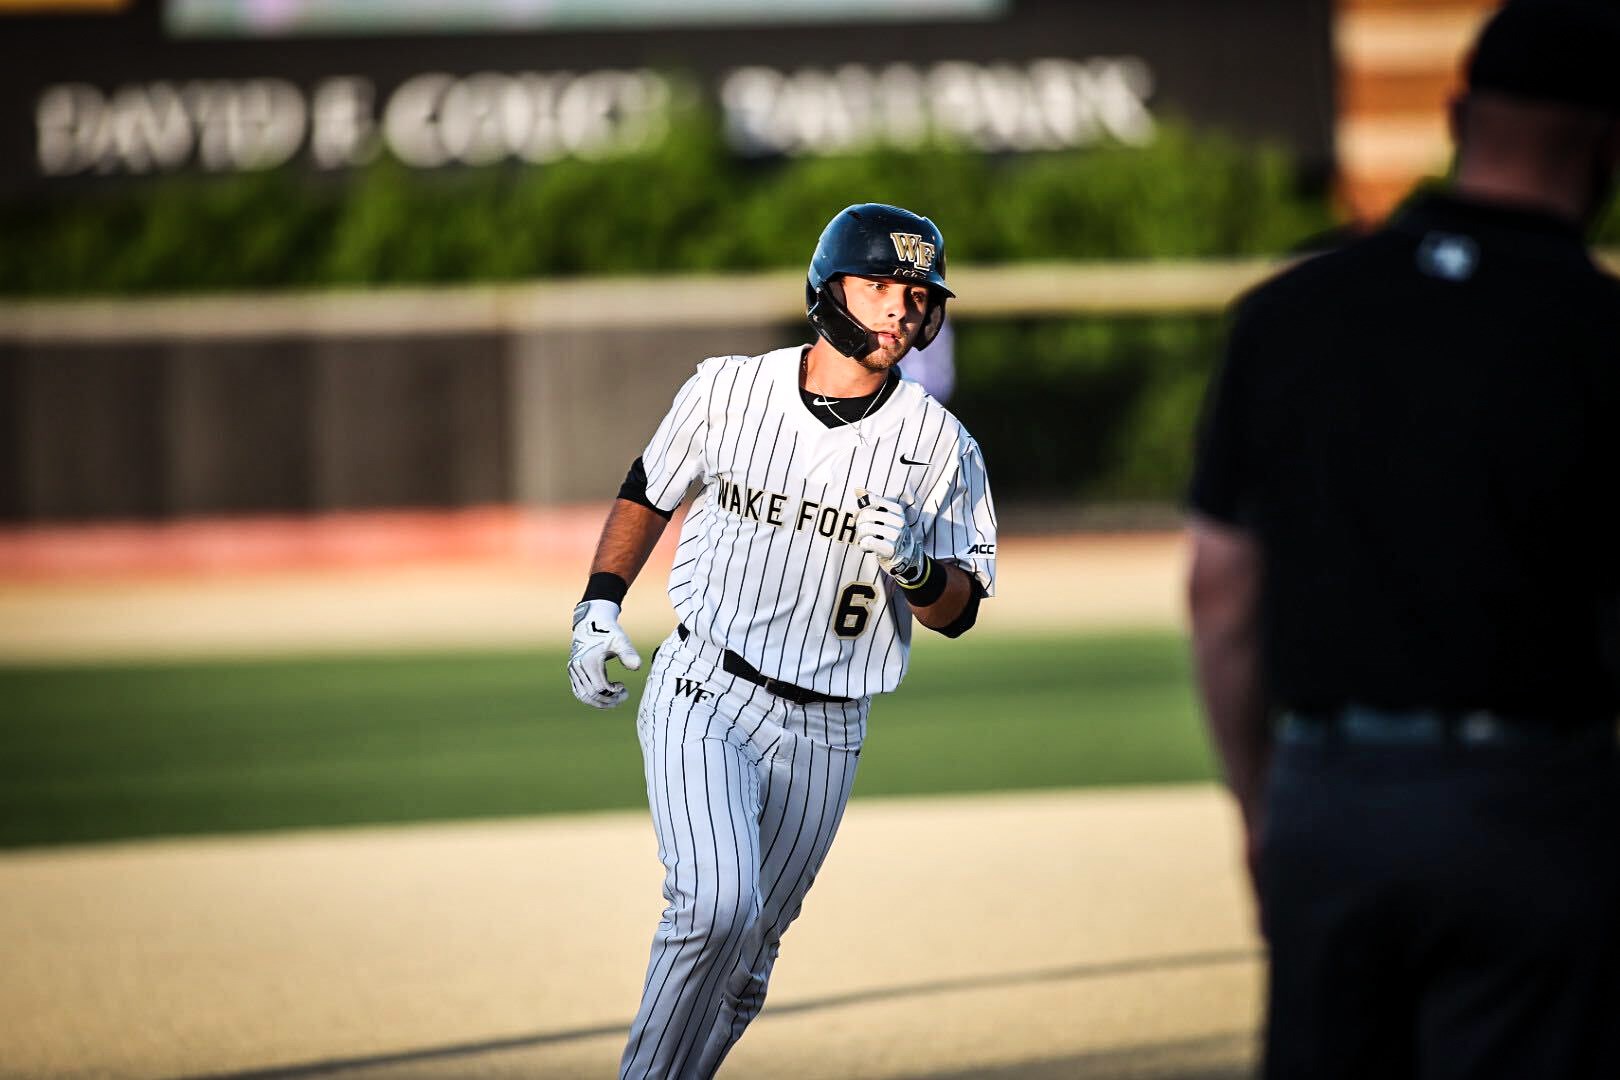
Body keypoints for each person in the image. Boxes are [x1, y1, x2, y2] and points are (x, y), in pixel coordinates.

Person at [1187, 2, 1620, 1077]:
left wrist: (1261, 806)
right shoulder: (1603, 335)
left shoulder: (1288, 314)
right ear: (1609, 144)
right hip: (1539, 802)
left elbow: (1222, 595)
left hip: (1333, 796)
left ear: (1458, 111)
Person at [567, 203, 997, 1080]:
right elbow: (650, 488)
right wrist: (598, 604)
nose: (901, 310)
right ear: (829, 286)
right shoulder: (730, 389)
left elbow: (963, 608)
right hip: (706, 685)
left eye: (917, 297)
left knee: (746, 972)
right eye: (882, 285)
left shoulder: (941, 445)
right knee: (717, 905)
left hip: (831, 727)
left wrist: (916, 570)